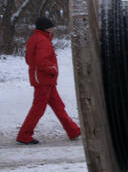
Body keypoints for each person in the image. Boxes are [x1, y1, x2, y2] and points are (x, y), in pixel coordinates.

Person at [16, 16, 81, 145]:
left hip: (44, 80)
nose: (53, 29)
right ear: (46, 28)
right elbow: (41, 61)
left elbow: (29, 60)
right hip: (43, 80)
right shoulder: (42, 41)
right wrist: (52, 69)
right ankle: (24, 135)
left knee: (58, 106)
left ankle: (73, 130)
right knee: (38, 109)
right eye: (52, 27)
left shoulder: (35, 39)